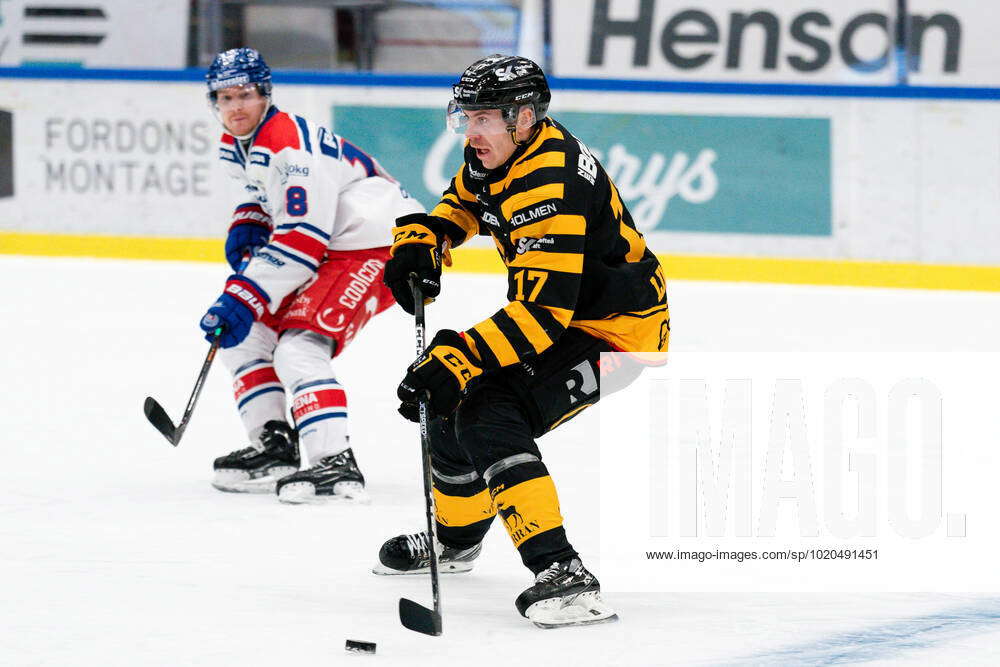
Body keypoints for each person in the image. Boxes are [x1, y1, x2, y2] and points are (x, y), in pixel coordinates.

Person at [372, 54, 670, 627]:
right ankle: (457, 540)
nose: (471, 130)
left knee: (487, 408)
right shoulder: (501, 151)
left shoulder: (550, 181)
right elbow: (466, 201)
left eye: (483, 117)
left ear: (525, 116)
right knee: (449, 397)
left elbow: (542, 316)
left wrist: (460, 356)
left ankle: (564, 574)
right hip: (570, 319)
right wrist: (425, 238)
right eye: (467, 116)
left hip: (618, 334)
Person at [198, 47, 423, 504]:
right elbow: (265, 196)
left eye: (245, 94)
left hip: (379, 245)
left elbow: (302, 240)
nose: (235, 106)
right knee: (242, 336)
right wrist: (250, 219)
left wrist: (243, 295)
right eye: (225, 98)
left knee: (299, 347)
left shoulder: (287, 148)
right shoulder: (240, 142)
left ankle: (332, 459)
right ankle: (275, 444)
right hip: (334, 243)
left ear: (265, 95)